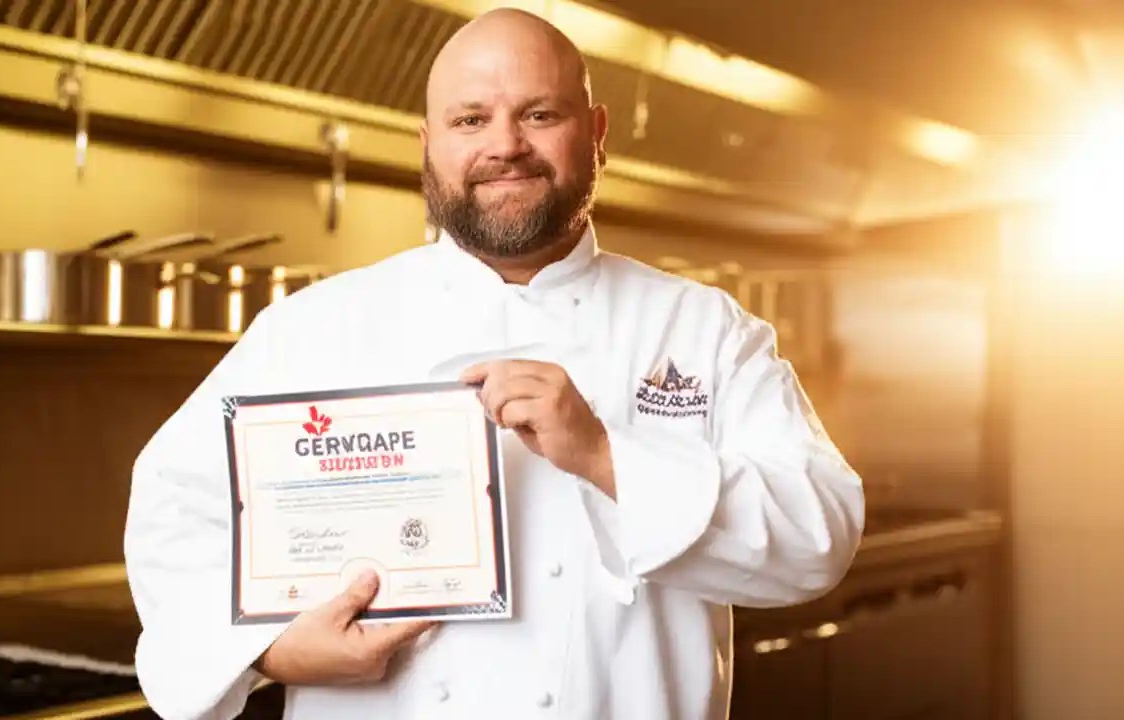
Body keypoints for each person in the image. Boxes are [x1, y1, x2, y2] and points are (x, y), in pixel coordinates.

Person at [123, 8, 865, 720]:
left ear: (597, 133)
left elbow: (820, 539)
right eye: (470, 119)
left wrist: (606, 455)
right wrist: (272, 650)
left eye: (540, 114)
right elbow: (173, 517)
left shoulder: (704, 330)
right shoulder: (314, 328)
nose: (504, 144)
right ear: (428, 144)